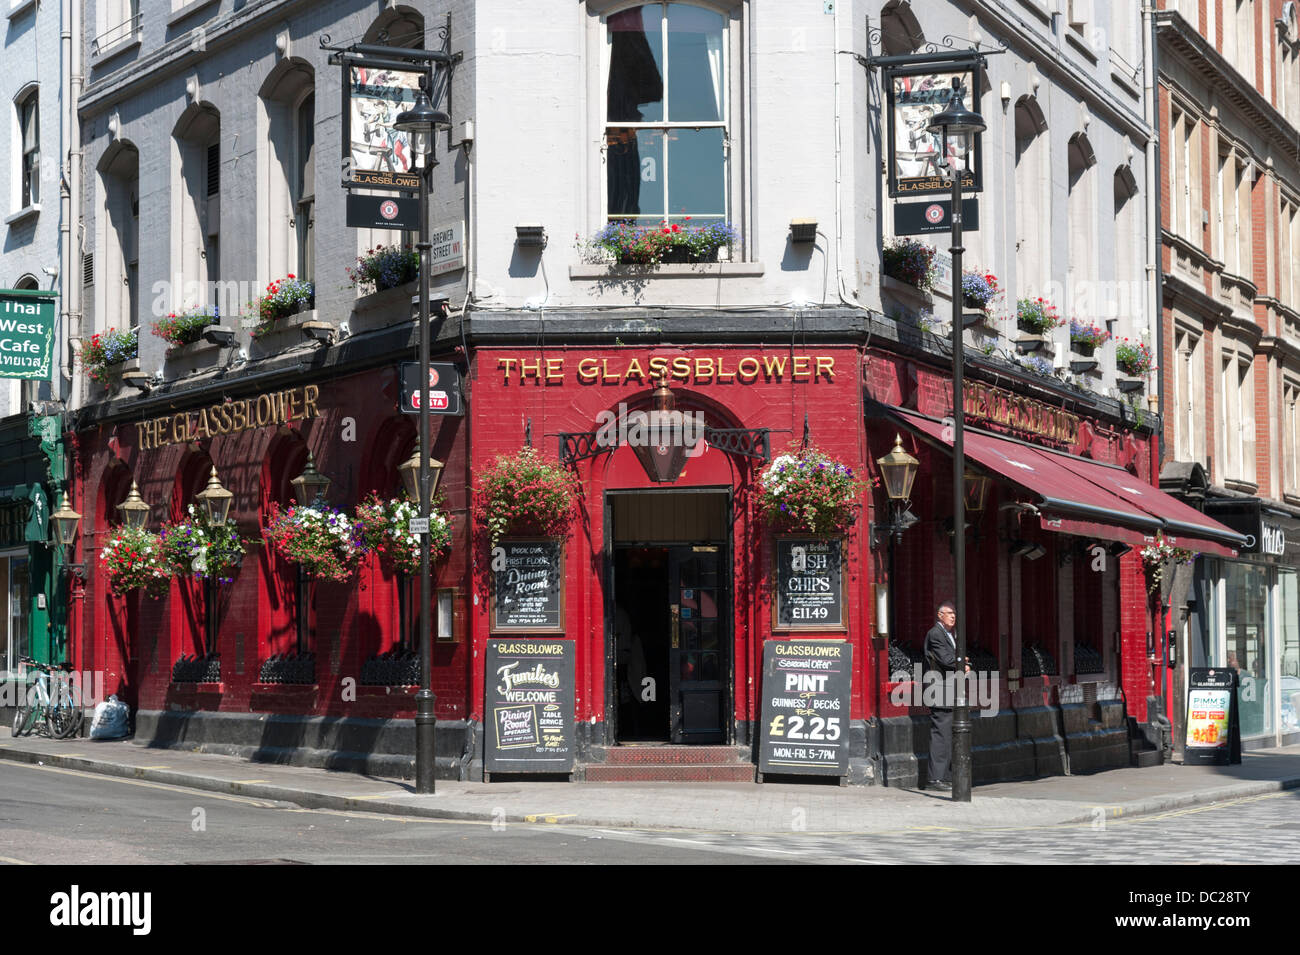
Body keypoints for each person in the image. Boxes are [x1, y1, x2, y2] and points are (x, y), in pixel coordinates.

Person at [924, 601, 969, 792]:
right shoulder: (935, 634)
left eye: (954, 613)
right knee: (941, 734)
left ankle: (946, 776)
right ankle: (935, 779)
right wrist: (961, 663)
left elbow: (952, 657)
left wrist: (962, 661)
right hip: (938, 690)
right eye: (949, 613)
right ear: (939, 615)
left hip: (948, 689)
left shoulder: (950, 634)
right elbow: (945, 659)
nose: (953, 616)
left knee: (948, 734)